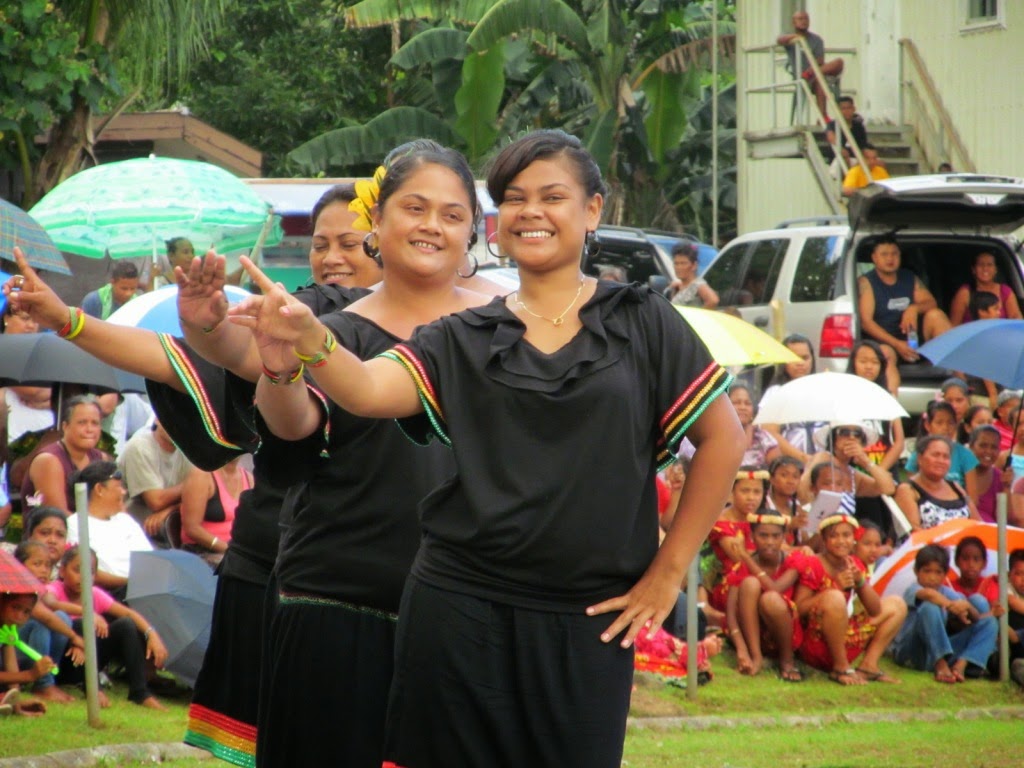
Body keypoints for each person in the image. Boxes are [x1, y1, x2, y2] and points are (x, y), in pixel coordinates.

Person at [227, 128, 745, 767]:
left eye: (552, 196)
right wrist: (309, 340)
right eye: (515, 198)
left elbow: (723, 438)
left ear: (592, 210)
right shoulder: (463, 335)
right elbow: (364, 389)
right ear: (497, 224)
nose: (532, 211)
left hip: (589, 618)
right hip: (457, 612)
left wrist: (668, 574)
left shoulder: (642, 320)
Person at [0, 183, 388, 765]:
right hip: (282, 564)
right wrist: (68, 320)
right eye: (319, 244)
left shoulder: (441, 331)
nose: (331, 257)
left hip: (389, 578)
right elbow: (176, 358)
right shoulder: (285, 317)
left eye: (349, 243)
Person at [794, 510, 905, 685]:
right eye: (834, 536)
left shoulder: (855, 563)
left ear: (854, 538)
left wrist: (860, 582)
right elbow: (799, 608)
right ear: (824, 540)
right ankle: (840, 668)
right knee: (834, 597)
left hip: (846, 635)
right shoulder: (814, 563)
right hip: (816, 643)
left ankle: (868, 666)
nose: (841, 541)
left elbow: (875, 610)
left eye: (846, 535)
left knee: (897, 604)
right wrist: (834, 588)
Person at [49, 545, 168, 708]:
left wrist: (152, 635)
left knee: (125, 624)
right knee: (82, 623)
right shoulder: (54, 589)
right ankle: (93, 689)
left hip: (89, 658)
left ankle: (139, 692)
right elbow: (50, 604)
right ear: (62, 570)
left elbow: (128, 614)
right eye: (77, 570)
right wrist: (87, 614)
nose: (83, 577)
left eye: (90, 572)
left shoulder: (94, 594)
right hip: (63, 662)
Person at [857, 235, 953, 393]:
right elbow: (866, 322)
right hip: (888, 343)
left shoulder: (909, 277)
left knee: (936, 315)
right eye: (884, 254)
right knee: (885, 354)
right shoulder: (866, 282)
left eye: (894, 254)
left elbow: (931, 302)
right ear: (874, 258)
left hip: (914, 339)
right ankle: (892, 402)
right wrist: (897, 344)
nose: (890, 258)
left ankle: (957, 382)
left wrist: (913, 309)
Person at [890, 544, 996, 683]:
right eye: (927, 571)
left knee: (990, 623)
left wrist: (967, 606)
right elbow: (929, 594)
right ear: (916, 571)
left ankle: (960, 665)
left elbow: (975, 617)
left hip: (935, 652)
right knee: (930, 607)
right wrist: (952, 606)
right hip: (912, 652)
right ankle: (940, 663)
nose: (932, 578)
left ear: (945, 574)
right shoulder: (913, 589)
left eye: (938, 572)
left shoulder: (945, 591)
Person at [724, 509, 804, 681]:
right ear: (752, 536)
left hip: (786, 632)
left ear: (784, 537)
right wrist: (742, 650)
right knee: (750, 583)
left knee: (770, 599)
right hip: (753, 635)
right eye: (763, 535)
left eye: (776, 536)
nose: (769, 542)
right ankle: (757, 656)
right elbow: (730, 614)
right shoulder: (741, 567)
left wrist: (746, 557)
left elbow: (773, 588)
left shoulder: (793, 560)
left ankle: (787, 660)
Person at [65, 461, 153, 598]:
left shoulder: (126, 521)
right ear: (99, 489)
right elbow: (87, 572)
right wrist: (132, 583)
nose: (123, 492)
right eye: (119, 486)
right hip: (107, 595)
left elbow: (151, 559)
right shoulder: (75, 524)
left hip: (144, 591)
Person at [11, 540, 84, 703]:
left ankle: (48, 677)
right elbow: (45, 617)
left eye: (48, 565)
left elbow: (53, 609)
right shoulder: (17, 590)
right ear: (19, 566)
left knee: (62, 617)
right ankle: (43, 684)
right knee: (40, 624)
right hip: (7, 653)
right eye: (37, 564)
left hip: (23, 654)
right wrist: (74, 637)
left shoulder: (40, 592)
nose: (44, 570)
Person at [20, 395, 110, 513]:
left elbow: (113, 505)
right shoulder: (48, 460)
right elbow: (58, 514)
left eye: (95, 423)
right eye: (82, 423)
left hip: (91, 523)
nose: (89, 429)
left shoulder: (101, 458)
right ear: (65, 426)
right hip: (59, 524)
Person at [118, 419, 194, 538]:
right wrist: (193, 483)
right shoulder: (139, 447)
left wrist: (170, 510)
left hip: (169, 525)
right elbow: (156, 501)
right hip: (133, 531)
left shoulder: (191, 449)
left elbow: (205, 496)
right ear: (157, 419)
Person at [759, 333, 827, 463]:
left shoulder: (823, 390)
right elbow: (769, 432)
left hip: (824, 463)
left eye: (805, 358)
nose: (800, 363)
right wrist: (803, 457)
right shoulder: (776, 392)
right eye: (794, 358)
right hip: (789, 464)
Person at [682, 384, 778, 469]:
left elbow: (777, 470)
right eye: (736, 403)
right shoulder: (709, 434)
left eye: (747, 403)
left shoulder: (764, 438)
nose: (743, 407)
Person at [895, 435, 979, 531]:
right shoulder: (907, 490)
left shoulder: (955, 487)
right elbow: (913, 532)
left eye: (946, 457)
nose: (941, 461)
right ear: (920, 459)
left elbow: (977, 522)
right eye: (935, 455)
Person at [179, 456, 252, 566]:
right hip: (203, 551)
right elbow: (192, 528)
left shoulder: (249, 478)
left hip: (235, 549)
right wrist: (229, 549)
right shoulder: (202, 474)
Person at [0, 567, 51, 717]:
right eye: (15, 607)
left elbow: (11, 666)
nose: (19, 616)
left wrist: (17, 705)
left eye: (26, 612)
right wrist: (29, 675)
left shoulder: (8, 629)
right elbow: (21, 675)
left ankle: (5, 701)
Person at [776, 10, 844, 121]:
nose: (804, 21)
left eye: (806, 19)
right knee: (820, 78)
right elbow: (779, 40)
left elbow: (820, 61)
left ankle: (810, 73)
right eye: (800, 19)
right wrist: (797, 37)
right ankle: (822, 117)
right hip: (802, 76)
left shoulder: (817, 40)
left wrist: (812, 70)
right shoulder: (790, 38)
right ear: (793, 22)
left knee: (839, 62)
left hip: (814, 72)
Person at [948, 251, 1022, 325]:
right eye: (981, 264)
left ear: (995, 270)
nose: (985, 268)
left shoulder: (1005, 291)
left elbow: (1017, 321)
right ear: (973, 269)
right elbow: (954, 326)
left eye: (989, 265)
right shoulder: (964, 293)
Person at [966, 425, 1003, 523]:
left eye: (994, 447)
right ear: (971, 447)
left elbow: (1003, 520)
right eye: (983, 445)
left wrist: (1007, 487)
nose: (988, 451)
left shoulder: (1000, 478)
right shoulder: (957, 474)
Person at [664, 242, 718, 308]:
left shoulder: (697, 285)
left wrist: (699, 313)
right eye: (676, 263)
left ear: (694, 265)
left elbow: (713, 300)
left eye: (683, 263)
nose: (679, 267)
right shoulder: (677, 286)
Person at [824, 96, 868, 177]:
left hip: (856, 159)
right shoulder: (833, 124)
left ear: (853, 109)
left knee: (878, 162)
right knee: (844, 156)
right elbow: (830, 136)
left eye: (848, 108)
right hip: (838, 159)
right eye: (843, 108)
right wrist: (841, 148)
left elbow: (863, 146)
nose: (846, 111)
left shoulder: (858, 126)